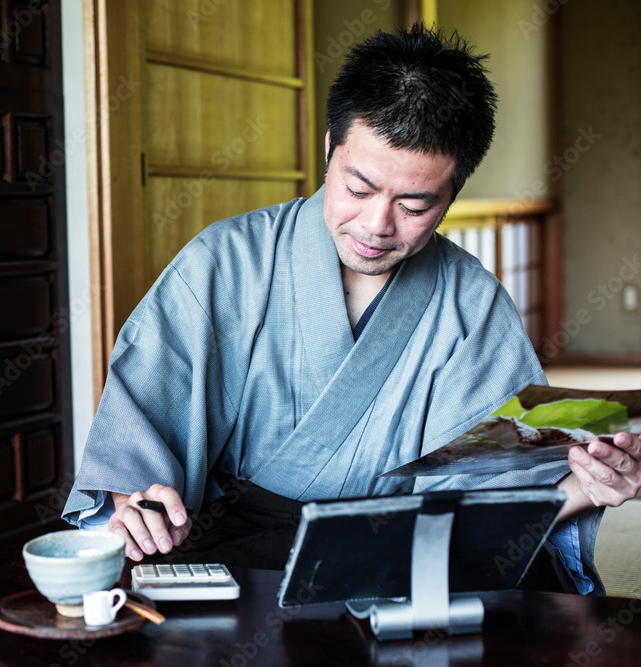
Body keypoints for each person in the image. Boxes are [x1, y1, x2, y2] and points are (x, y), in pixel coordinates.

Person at [62, 24, 640, 593]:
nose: (375, 226)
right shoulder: (225, 261)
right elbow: (141, 437)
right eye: (358, 188)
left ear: (452, 194)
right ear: (329, 149)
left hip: (407, 555)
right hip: (240, 552)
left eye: (414, 205)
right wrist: (131, 503)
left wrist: (587, 487)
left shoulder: (472, 302)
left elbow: (490, 501)